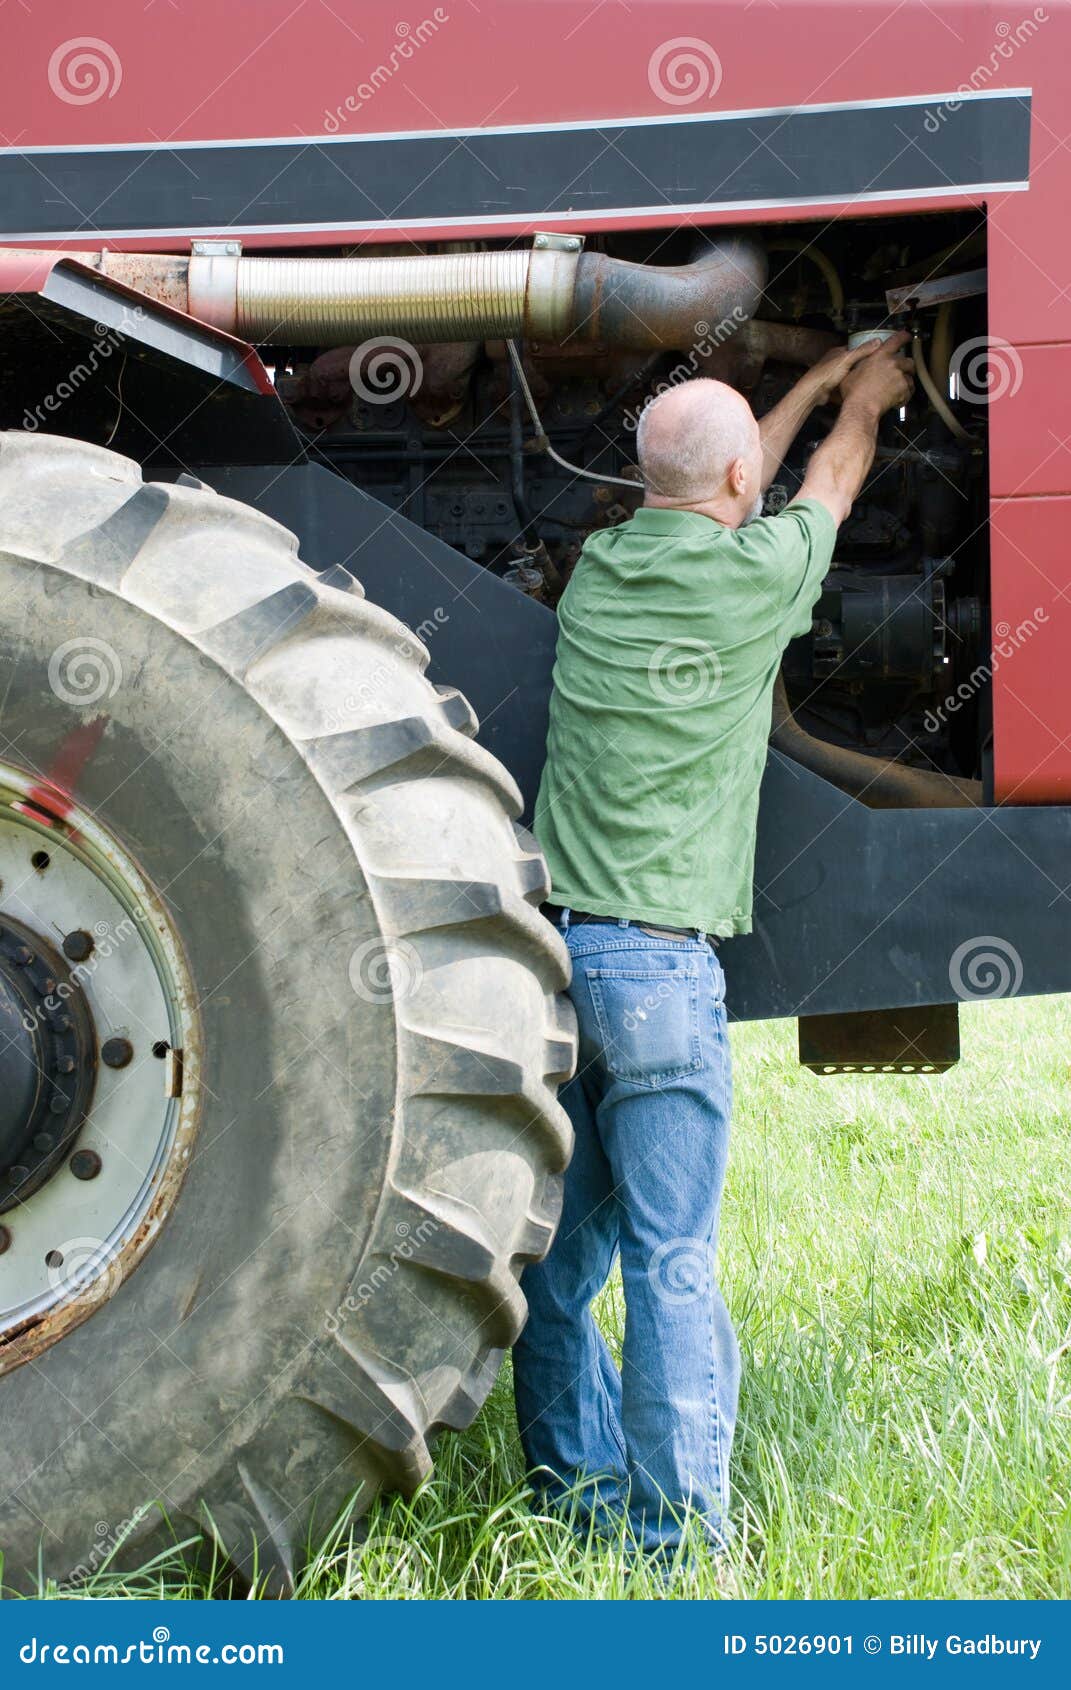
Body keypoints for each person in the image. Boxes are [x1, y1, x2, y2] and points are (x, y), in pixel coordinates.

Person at [512, 330, 915, 1557]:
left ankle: (573, 1504)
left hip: (553, 970)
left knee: (557, 1269)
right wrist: (872, 395)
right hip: (659, 977)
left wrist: (804, 383)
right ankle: (675, 1542)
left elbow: (734, 477)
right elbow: (829, 483)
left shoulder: (600, 571)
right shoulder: (756, 581)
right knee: (672, 1259)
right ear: (741, 488)